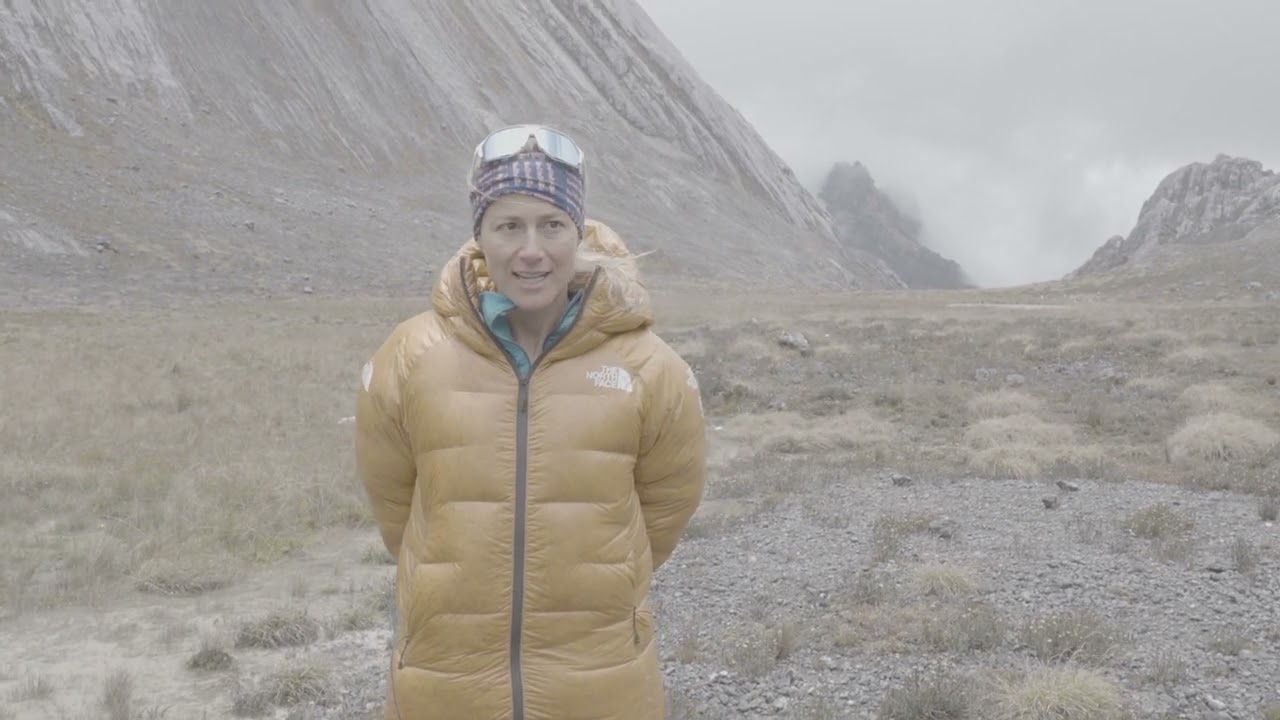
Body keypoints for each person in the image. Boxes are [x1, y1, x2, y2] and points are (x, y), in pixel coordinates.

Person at [354, 124, 708, 720]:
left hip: (602, 681)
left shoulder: (650, 368)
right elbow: (397, 507)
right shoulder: (410, 356)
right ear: (480, 237)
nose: (532, 250)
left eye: (551, 225)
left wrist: (600, 582)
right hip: (445, 683)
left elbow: (665, 512)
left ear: (579, 233)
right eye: (509, 226)